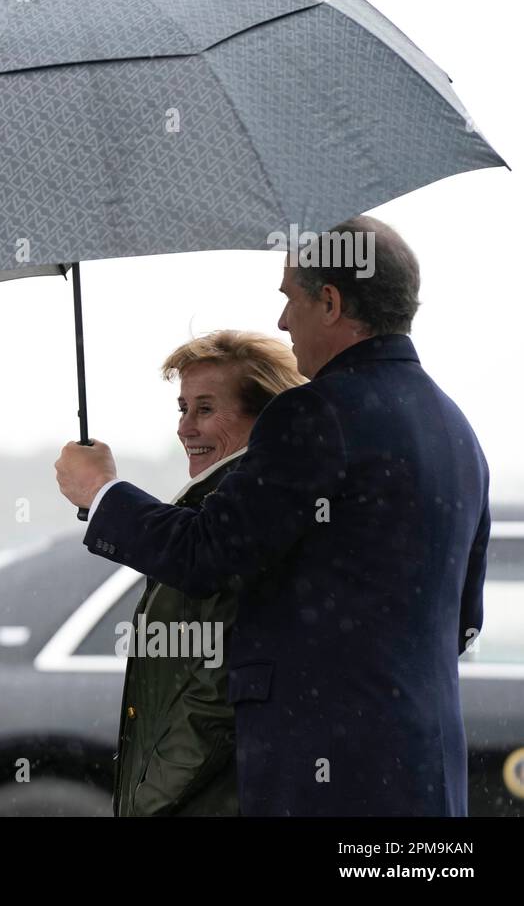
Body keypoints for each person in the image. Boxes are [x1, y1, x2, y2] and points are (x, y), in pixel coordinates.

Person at [56, 216, 489, 816]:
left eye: (289, 297)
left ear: (331, 302)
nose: (284, 321)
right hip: (425, 775)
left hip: (325, 782)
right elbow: (466, 619)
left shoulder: (315, 413)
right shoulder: (454, 427)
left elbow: (206, 552)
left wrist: (100, 492)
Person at [114, 332, 303, 817]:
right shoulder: (213, 504)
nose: (184, 427)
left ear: (263, 416)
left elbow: (211, 700)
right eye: (182, 408)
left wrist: (147, 801)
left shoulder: (235, 518)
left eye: (204, 408)